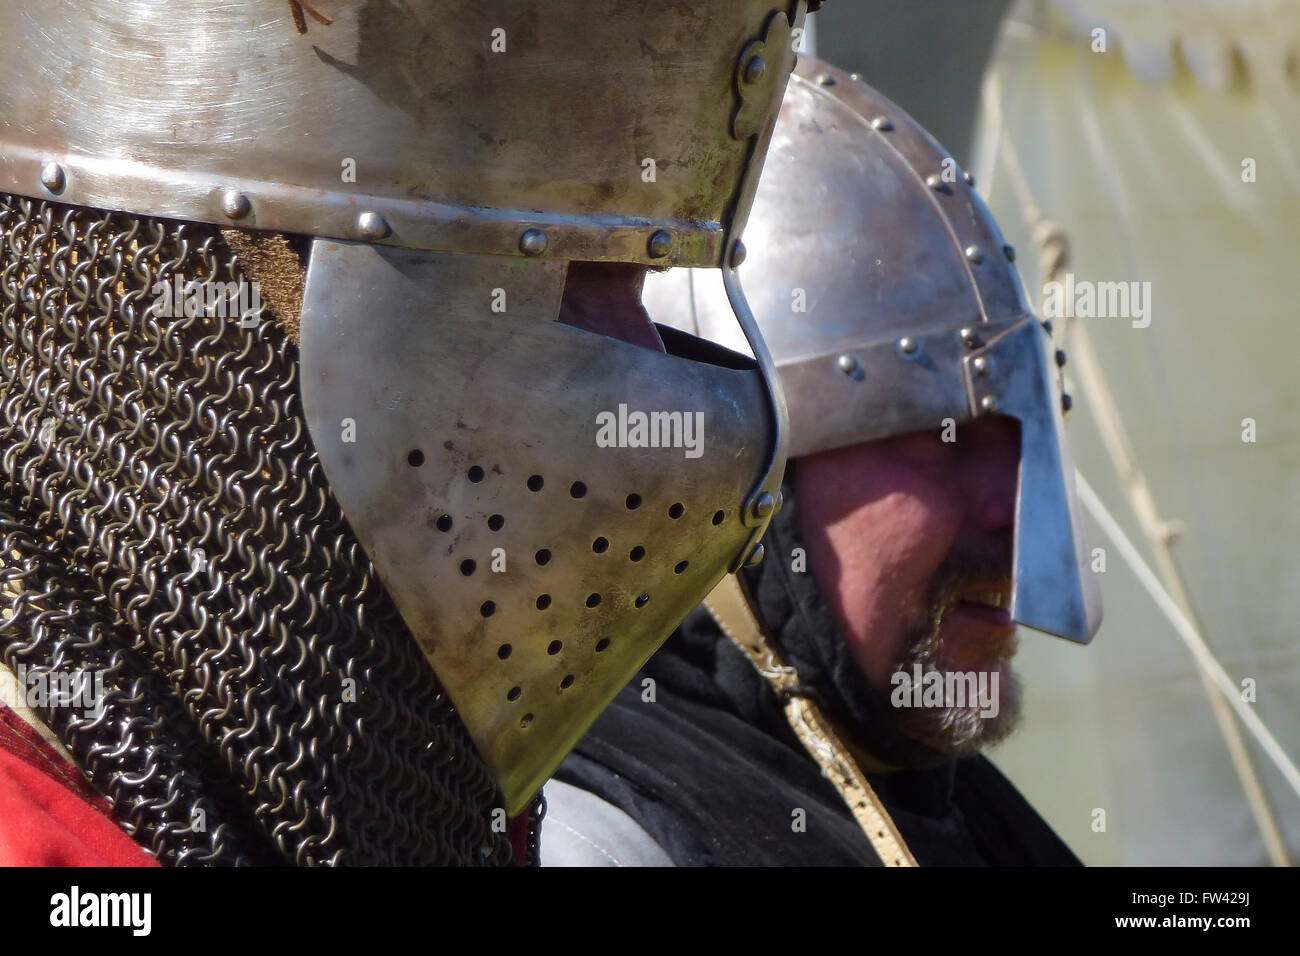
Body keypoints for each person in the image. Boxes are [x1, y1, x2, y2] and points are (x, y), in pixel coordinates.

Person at [0, 0, 817, 866]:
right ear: (239, 273)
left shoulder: (397, 775)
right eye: (558, 269)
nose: (647, 364)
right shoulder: (40, 832)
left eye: (645, 280)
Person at [547, 56, 1101, 867]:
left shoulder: (965, 812)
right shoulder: (600, 840)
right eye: (940, 439)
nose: (1013, 514)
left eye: (1021, 443)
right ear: (736, 484)